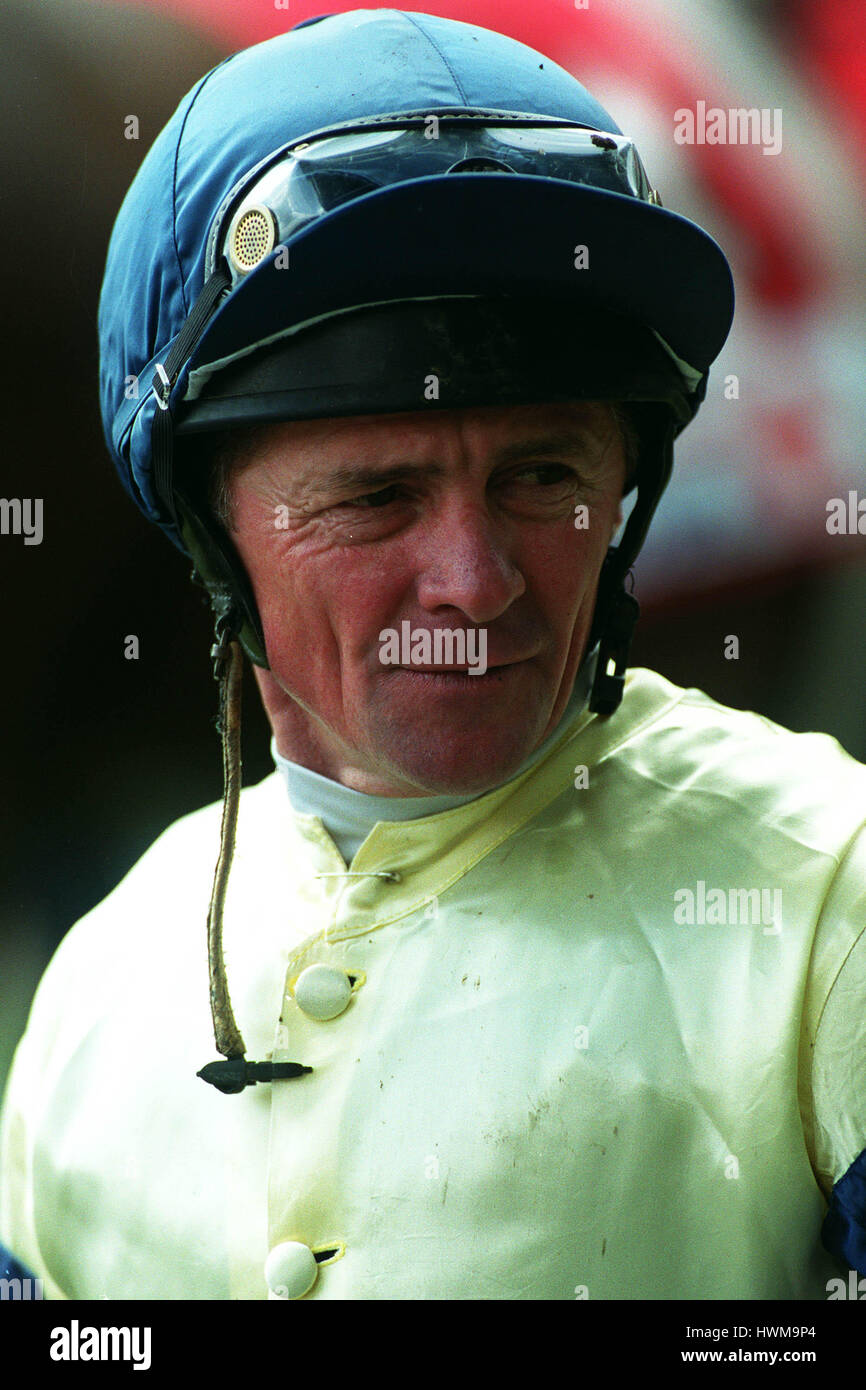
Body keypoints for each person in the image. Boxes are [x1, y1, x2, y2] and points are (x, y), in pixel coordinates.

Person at [1, 8, 864, 1302]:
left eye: (542, 476)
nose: (473, 581)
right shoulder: (95, 986)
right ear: (207, 527)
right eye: (374, 498)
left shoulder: (830, 904)